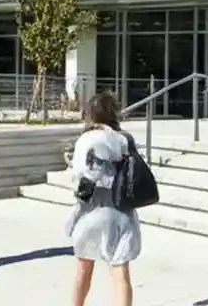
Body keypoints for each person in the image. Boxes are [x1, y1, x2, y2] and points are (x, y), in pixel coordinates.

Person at [67, 92, 141, 306]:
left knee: (83, 268)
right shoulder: (124, 139)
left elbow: (80, 175)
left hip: (92, 208)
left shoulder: (87, 139)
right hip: (121, 209)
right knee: (120, 271)